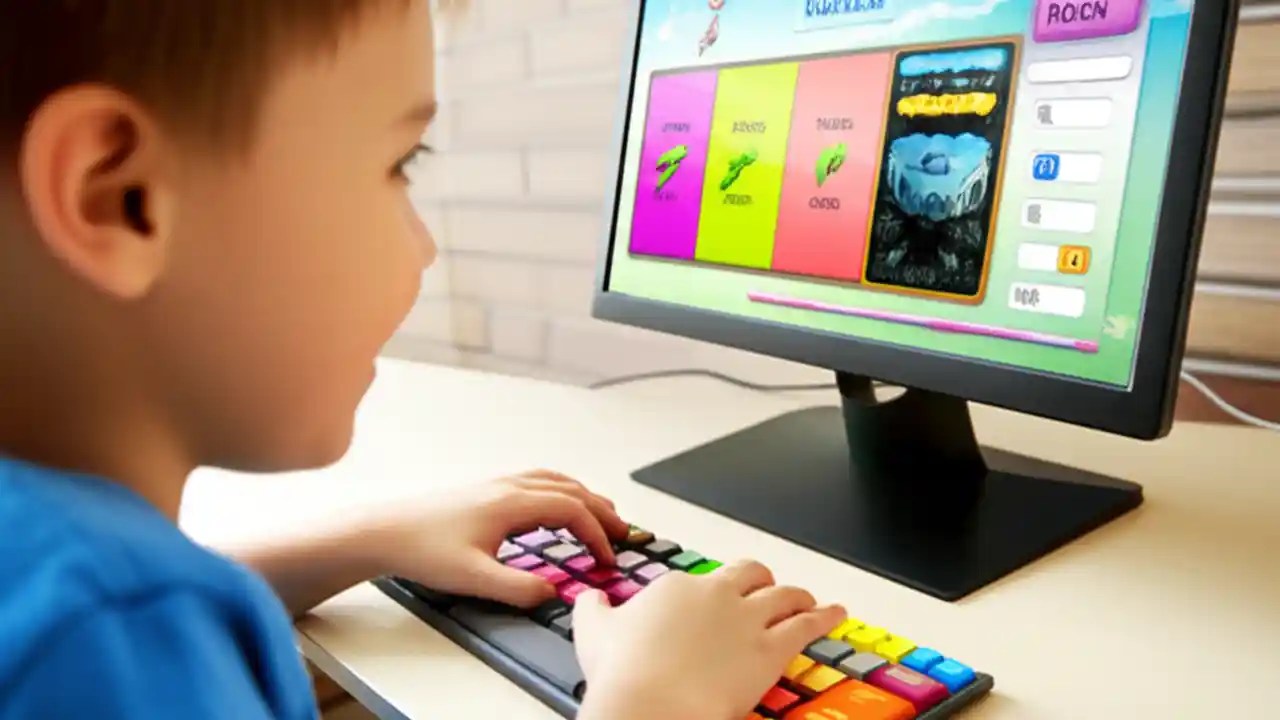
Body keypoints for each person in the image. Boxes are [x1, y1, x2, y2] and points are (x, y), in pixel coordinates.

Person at [0, 1, 846, 718]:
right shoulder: (109, 643)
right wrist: (649, 704)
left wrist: (366, 540)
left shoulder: (77, 590)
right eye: (397, 164)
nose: (424, 250)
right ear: (119, 200)